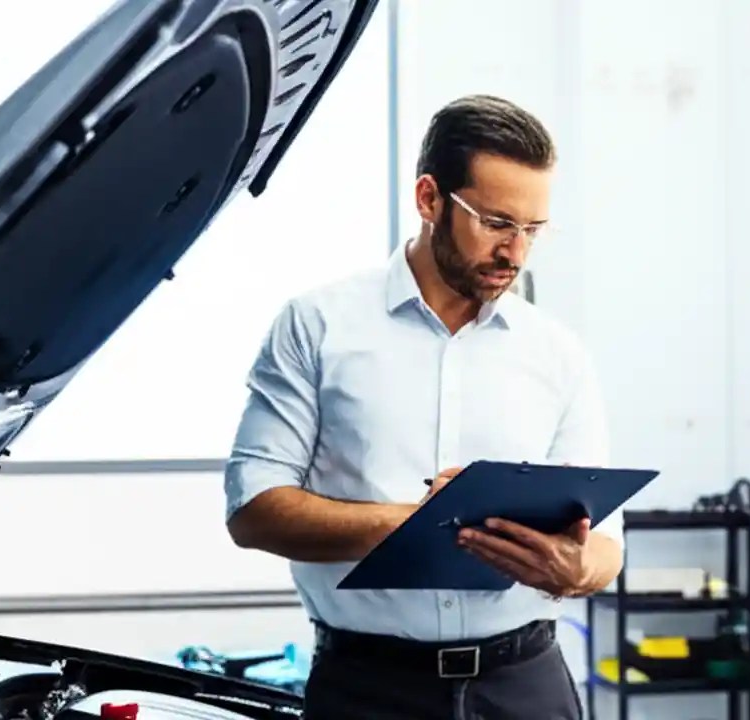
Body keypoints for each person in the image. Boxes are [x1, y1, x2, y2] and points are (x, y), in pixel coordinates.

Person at [223, 94, 622, 719]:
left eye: (532, 230)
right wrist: (422, 524)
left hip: (525, 687)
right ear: (430, 198)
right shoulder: (317, 326)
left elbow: (606, 549)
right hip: (368, 689)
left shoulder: (557, 353)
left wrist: (572, 568)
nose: (514, 253)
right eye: (496, 223)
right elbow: (253, 510)